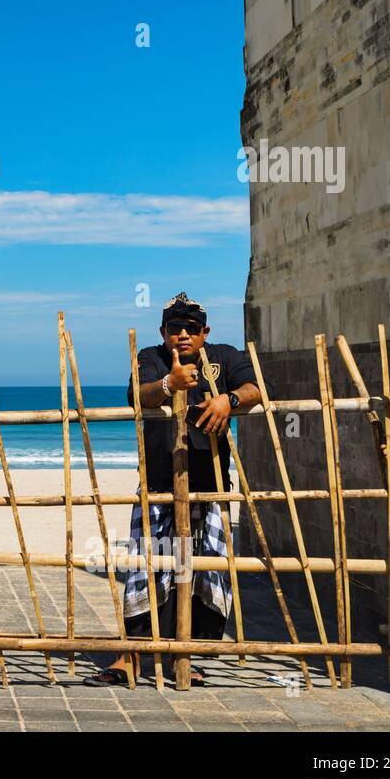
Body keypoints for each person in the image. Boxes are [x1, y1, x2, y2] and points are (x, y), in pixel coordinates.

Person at [84, 292, 261, 686]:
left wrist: (227, 401)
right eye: (174, 329)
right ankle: (132, 655)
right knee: (147, 566)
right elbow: (138, 395)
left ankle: (187, 656)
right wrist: (169, 383)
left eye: (191, 329)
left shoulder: (226, 357)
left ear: (204, 332)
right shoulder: (151, 358)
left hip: (209, 484)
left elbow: (256, 389)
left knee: (199, 572)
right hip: (160, 482)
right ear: (163, 332)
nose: (182, 335)